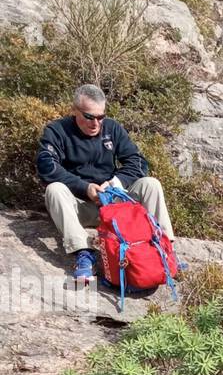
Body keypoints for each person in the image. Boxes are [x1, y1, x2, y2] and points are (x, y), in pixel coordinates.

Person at [37, 84, 175, 281]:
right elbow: (47, 167)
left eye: (100, 117)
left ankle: (166, 250)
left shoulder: (112, 128)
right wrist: (85, 188)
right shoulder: (57, 131)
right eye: (89, 117)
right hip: (80, 206)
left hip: (114, 204)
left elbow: (138, 161)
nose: (96, 123)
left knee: (151, 184)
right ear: (74, 110)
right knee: (54, 189)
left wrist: (116, 183)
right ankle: (84, 254)